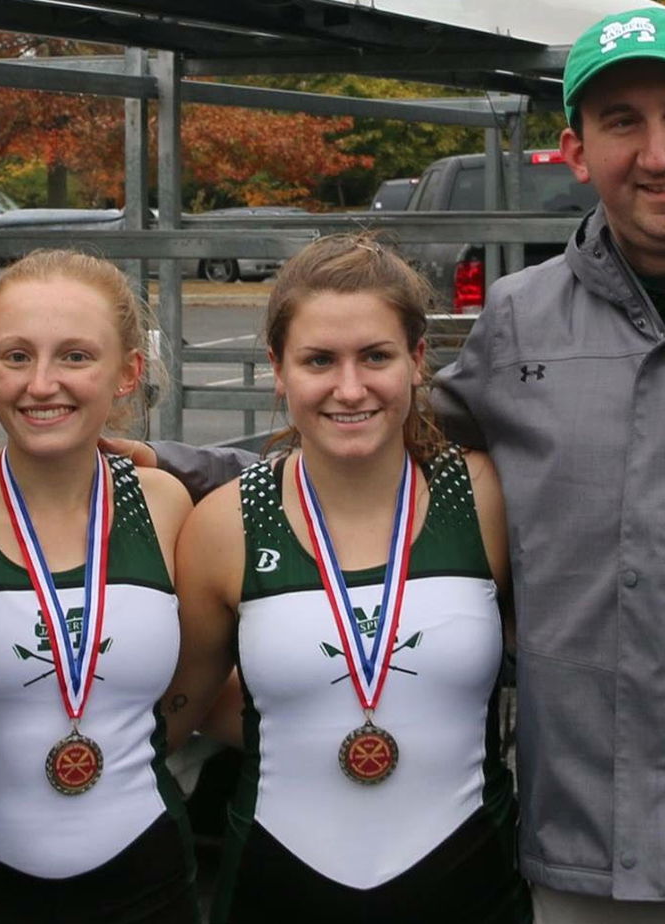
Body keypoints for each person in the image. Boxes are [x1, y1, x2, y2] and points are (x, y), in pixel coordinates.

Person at [140, 6, 665, 924]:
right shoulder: (525, 321)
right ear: (576, 150)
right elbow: (374, 432)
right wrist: (166, 462)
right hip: (576, 869)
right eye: (620, 122)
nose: (657, 150)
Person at [165, 236, 530, 923]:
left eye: (376, 356)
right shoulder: (223, 528)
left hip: (470, 885)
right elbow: (174, 714)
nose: (350, 387)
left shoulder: (486, 498)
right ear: (278, 369)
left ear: (418, 360)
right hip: (276, 887)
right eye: (319, 361)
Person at [0, 249, 200, 924]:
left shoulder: (166, 505)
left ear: (128, 373)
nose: (42, 383)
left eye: (75, 356)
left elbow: (198, 686)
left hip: (148, 879)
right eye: (17, 357)